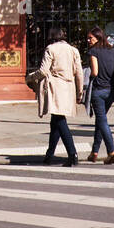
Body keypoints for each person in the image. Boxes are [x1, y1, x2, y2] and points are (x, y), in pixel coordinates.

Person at [35, 26, 84, 166]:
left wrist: (30, 77)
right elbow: (79, 73)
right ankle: (49, 154)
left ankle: (72, 153)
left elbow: (43, 70)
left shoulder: (51, 49)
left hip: (55, 88)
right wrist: (79, 92)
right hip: (68, 88)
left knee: (60, 121)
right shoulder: (74, 50)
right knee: (55, 122)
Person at [85, 25, 114, 164]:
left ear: (98, 38)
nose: (88, 40)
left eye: (91, 38)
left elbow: (94, 72)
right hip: (110, 91)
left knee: (102, 121)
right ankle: (94, 152)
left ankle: (112, 151)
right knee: (100, 121)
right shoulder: (112, 51)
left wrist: (88, 77)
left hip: (98, 91)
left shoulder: (93, 52)